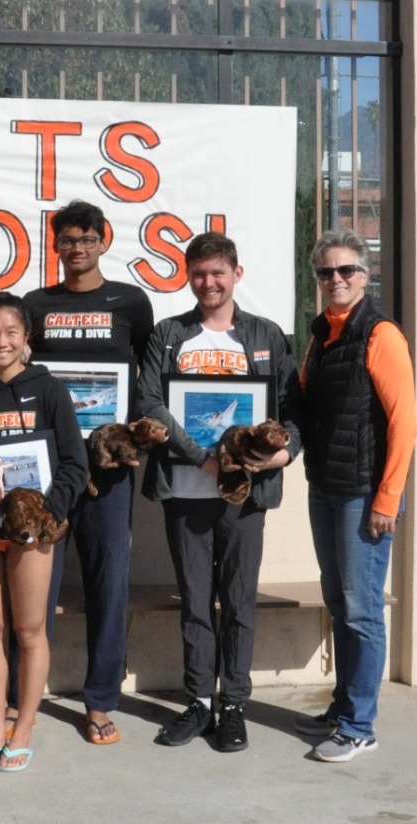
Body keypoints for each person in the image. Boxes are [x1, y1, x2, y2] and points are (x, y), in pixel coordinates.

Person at [138, 231, 303, 752]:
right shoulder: (169, 334)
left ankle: (233, 704)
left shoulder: (266, 335)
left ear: (237, 275)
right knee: (193, 602)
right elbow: (150, 403)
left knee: (237, 602)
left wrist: (283, 453)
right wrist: (203, 457)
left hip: (244, 497)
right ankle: (198, 703)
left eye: (218, 273)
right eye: (199, 273)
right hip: (186, 492)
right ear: (189, 277)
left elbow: (294, 413)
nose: (209, 282)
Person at [21, 200, 154, 745]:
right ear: (56, 246)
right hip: (48, 468)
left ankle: (100, 702)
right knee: (32, 588)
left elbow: (145, 380)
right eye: (67, 241)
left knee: (108, 585)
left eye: (86, 238)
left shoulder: (131, 302)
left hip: (109, 471)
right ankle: (20, 698)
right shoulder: (35, 303)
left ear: (104, 239)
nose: (76, 248)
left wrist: (136, 433)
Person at [0, 294, 89, 772]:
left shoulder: (49, 390)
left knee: (29, 630)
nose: (1, 341)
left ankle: (23, 725)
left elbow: (74, 463)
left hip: (33, 533)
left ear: (26, 338)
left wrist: (45, 513)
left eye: (11, 332)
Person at [294, 229, 417, 763]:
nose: (336, 280)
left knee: (363, 609)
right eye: (326, 272)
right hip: (325, 488)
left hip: (364, 497)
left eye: (346, 270)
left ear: (365, 276)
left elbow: (405, 423)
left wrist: (388, 500)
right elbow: (301, 402)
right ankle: (344, 705)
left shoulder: (380, 333)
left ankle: (360, 725)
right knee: (340, 604)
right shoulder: (321, 334)